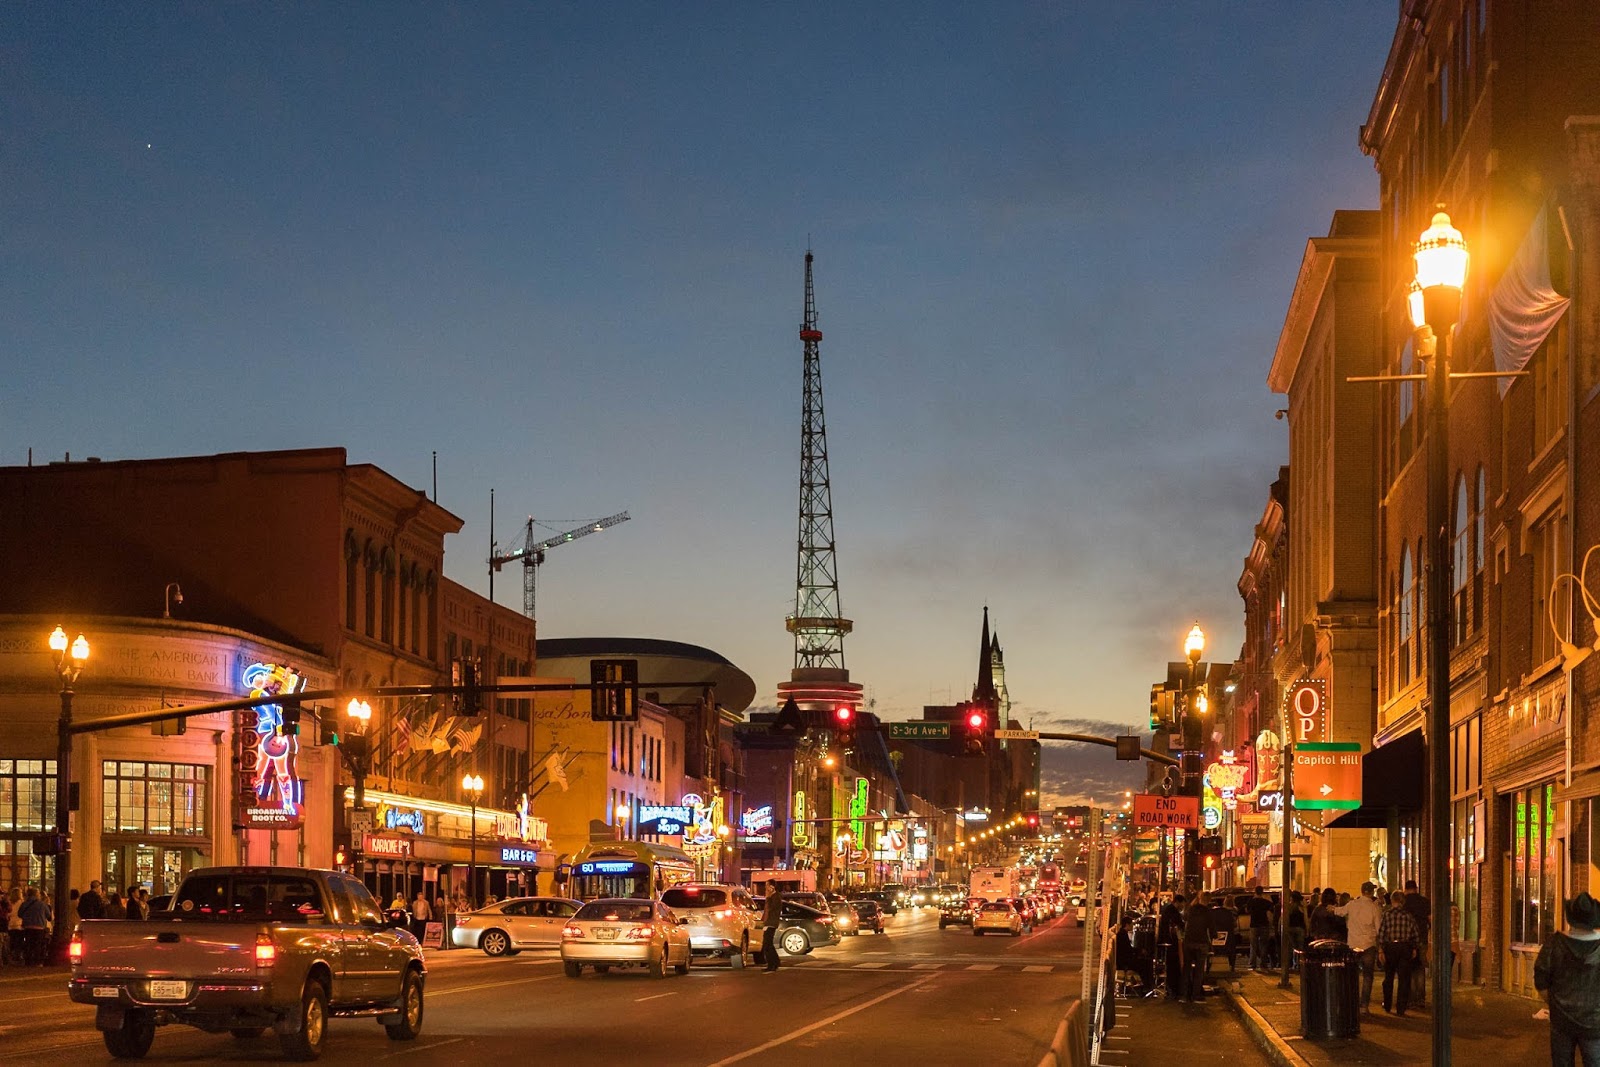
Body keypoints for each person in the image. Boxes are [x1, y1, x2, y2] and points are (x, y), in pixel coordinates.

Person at [1535, 892, 1600, 1065]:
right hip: (1595, 1023)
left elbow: (1540, 980)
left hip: (1562, 1022)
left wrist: (1555, 1005)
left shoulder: (1555, 944)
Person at [1333, 882, 1384, 1013]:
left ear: (1362, 891)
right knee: (1368, 976)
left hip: (1353, 944)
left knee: (1352, 974)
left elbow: (1340, 911)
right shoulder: (1374, 908)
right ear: (1371, 892)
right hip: (1368, 944)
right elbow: (1379, 928)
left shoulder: (1352, 904)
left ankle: (1351, 1002)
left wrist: (1331, 909)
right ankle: (1363, 1005)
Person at [1379, 890, 1423, 1015]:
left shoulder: (1386, 915)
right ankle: (1401, 1008)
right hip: (1405, 947)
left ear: (1392, 901)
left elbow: (1381, 933)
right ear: (1403, 901)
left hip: (1391, 947)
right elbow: (1415, 934)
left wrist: (1381, 949)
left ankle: (1387, 1004)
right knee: (1404, 979)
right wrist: (1414, 948)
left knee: (1389, 977)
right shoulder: (1408, 916)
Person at [1181, 892, 1213, 1001]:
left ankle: (1185, 994)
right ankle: (1195, 994)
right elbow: (1211, 928)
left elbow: (1184, 919)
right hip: (1201, 942)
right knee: (1199, 970)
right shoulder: (1208, 912)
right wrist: (1214, 938)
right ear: (1208, 901)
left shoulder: (1191, 909)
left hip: (1189, 941)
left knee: (1187, 968)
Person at [1157, 893, 1185, 1000]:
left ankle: (1171, 988)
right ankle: (1173, 989)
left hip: (1168, 942)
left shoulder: (1168, 910)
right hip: (1171, 942)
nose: (1182, 907)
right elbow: (1178, 925)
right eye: (1182, 904)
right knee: (1173, 965)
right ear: (1177, 902)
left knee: (1171, 965)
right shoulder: (1173, 912)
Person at [18, 887, 51, 966]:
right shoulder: (42, 904)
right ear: (37, 894)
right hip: (39, 927)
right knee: (37, 945)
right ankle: (37, 962)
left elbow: (19, 914)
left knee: (28, 944)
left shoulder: (24, 904)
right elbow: (49, 916)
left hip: (27, 927)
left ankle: (28, 961)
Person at [1210, 894, 1240, 972]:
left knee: (1220, 948)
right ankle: (1232, 965)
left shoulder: (1221, 911)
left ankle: (1217, 963)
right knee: (1232, 949)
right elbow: (1234, 923)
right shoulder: (1235, 910)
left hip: (1221, 931)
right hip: (1232, 932)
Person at [1247, 887, 1273, 970]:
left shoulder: (1251, 901)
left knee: (1253, 945)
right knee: (1263, 945)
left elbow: (1247, 911)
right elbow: (1271, 910)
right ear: (1262, 892)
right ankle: (1263, 963)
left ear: (1255, 892)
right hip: (1264, 924)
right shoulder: (1266, 902)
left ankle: (1252, 964)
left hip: (1254, 925)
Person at [760, 884, 785, 972]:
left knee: (767, 944)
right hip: (769, 923)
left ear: (772, 887)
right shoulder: (774, 897)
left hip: (771, 923)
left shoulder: (775, 897)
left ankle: (772, 964)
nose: (765, 888)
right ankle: (775, 962)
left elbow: (770, 909)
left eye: (767, 886)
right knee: (768, 944)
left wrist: (767, 898)